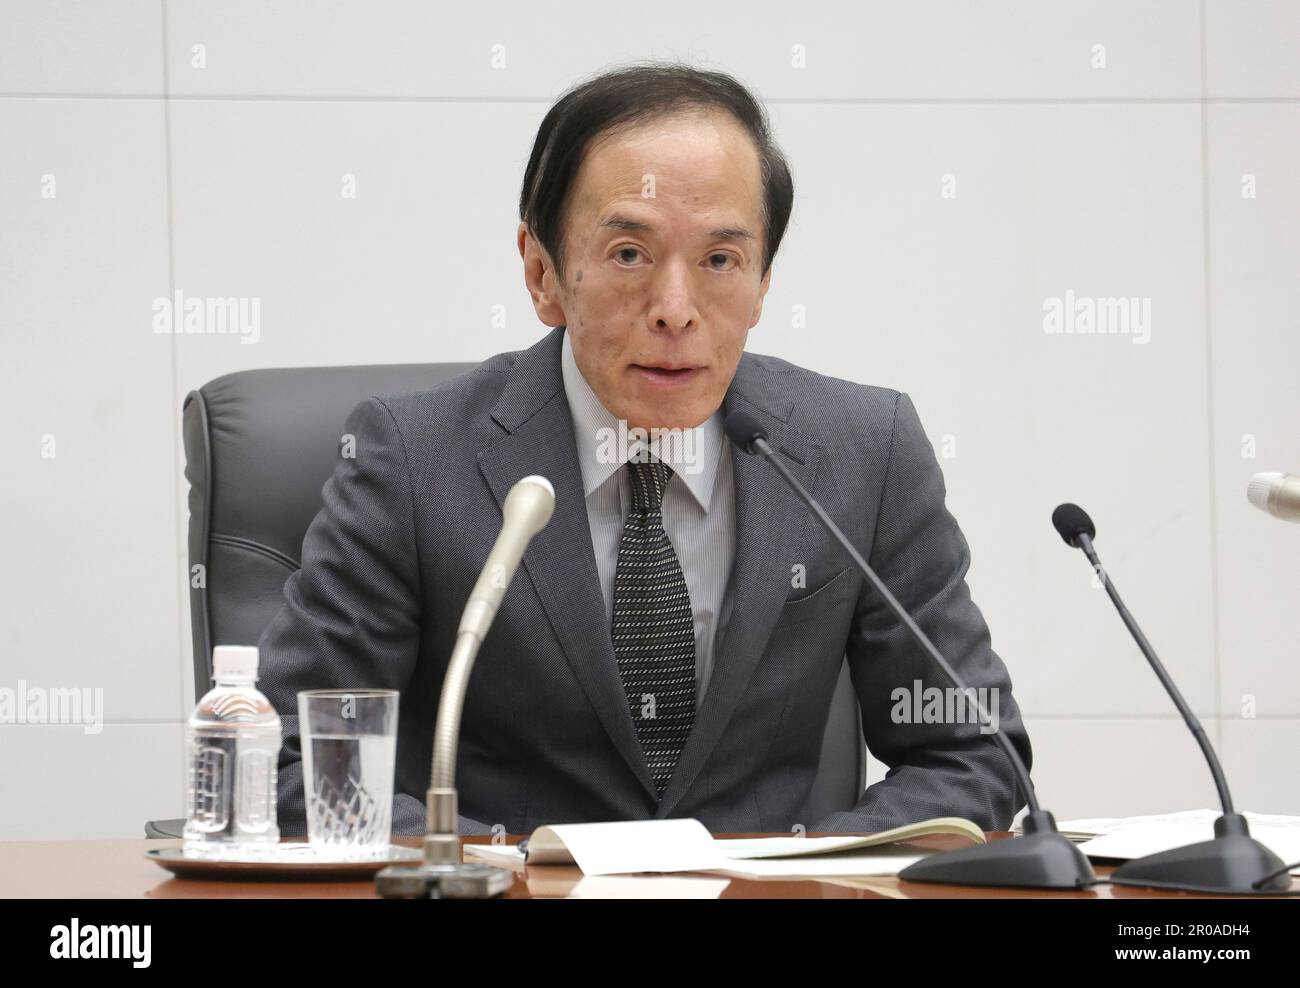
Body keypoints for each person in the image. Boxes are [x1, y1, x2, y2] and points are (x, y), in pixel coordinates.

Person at [259, 61, 1031, 837]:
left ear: (763, 281)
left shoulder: (864, 451)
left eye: (720, 261)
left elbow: (973, 752)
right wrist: (489, 872)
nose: (675, 310)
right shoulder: (414, 461)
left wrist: (802, 877)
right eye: (630, 253)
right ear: (542, 272)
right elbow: (294, 760)